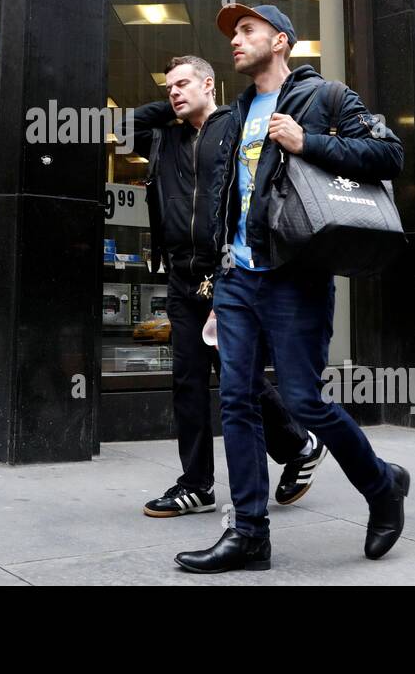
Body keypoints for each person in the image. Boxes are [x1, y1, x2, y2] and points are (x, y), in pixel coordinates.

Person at [174, 4, 408, 574]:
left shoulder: (324, 97)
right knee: (236, 399)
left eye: (247, 31)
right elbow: (231, 198)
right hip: (236, 280)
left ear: (280, 41)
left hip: (295, 277)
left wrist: (310, 143)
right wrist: (216, 274)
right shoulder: (233, 115)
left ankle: (381, 488)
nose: (236, 40)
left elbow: (389, 155)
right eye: (232, 33)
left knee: (305, 401)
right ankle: (249, 533)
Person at [131, 56, 326, 519]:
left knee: (236, 376)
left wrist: (208, 110)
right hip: (179, 273)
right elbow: (120, 122)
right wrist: (174, 106)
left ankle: (299, 443)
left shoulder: (234, 128)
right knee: (187, 379)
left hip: (223, 270)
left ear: (210, 84)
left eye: (184, 84)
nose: (174, 91)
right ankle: (197, 484)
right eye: (169, 85)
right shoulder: (162, 135)